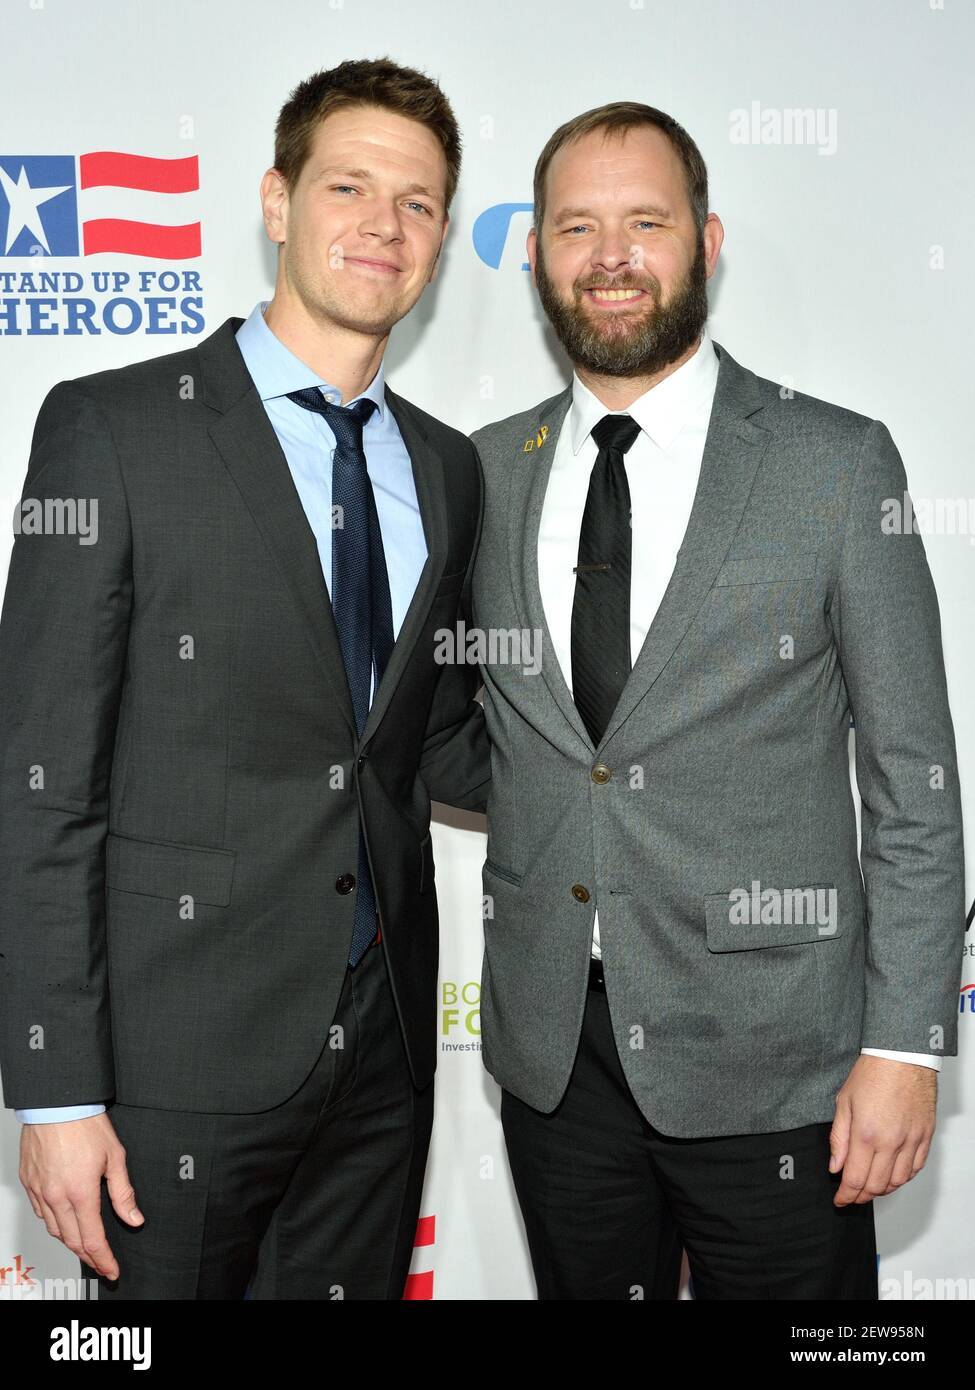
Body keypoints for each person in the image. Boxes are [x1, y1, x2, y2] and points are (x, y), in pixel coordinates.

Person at [0, 57, 489, 1300]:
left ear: (442, 237)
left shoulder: (446, 468)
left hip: (379, 1058)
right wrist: (56, 1083)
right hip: (175, 1064)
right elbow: (40, 784)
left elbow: (427, 738)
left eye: (420, 201)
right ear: (276, 201)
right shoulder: (113, 428)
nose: (384, 225)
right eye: (350, 186)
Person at [468, 101, 964, 1299]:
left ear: (708, 238)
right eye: (577, 227)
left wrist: (905, 1045)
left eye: (647, 220)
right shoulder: (481, 469)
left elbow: (915, 780)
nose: (612, 256)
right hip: (555, 1060)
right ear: (534, 253)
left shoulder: (836, 463)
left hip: (778, 1056)